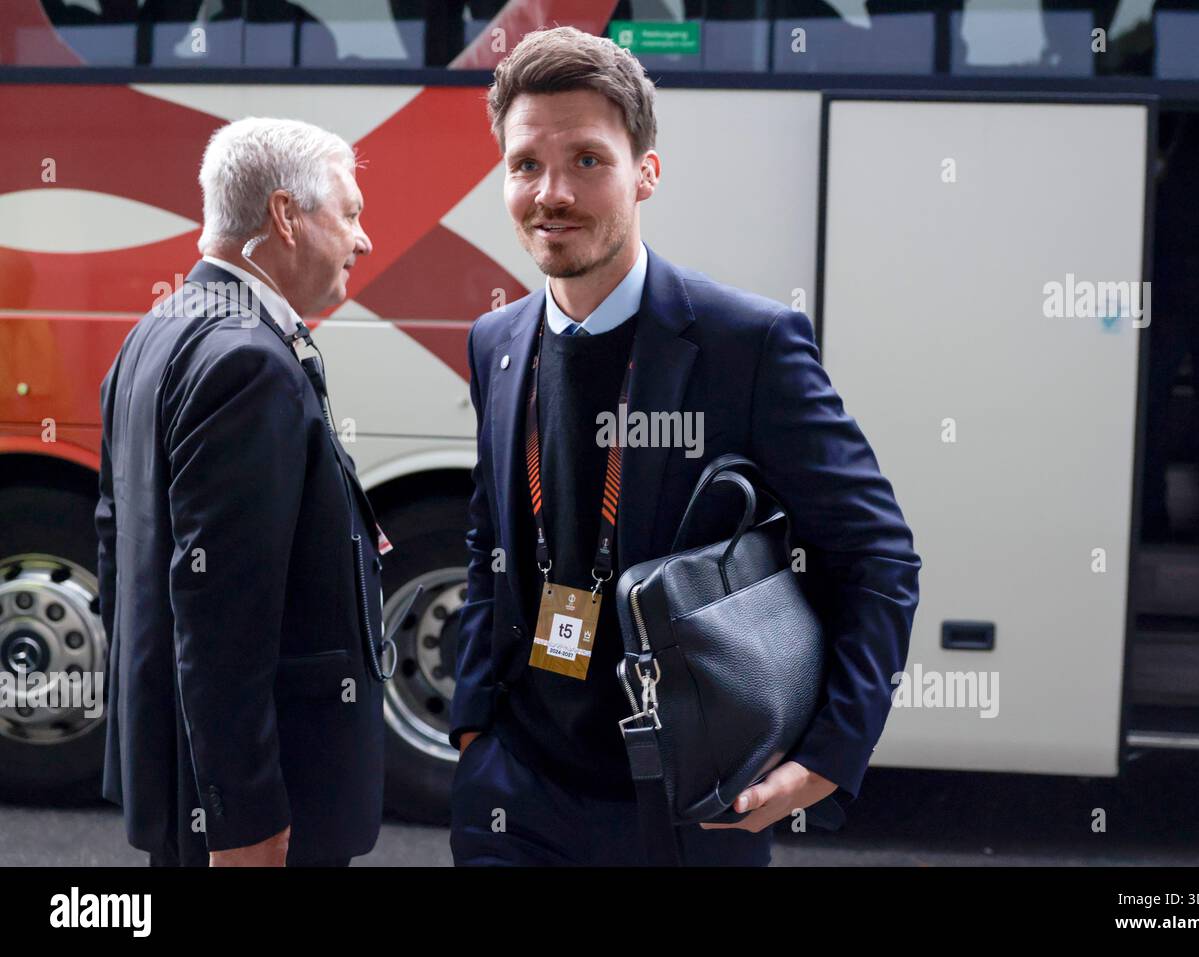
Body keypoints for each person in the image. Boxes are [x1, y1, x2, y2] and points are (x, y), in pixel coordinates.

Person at [449, 26, 921, 866]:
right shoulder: (496, 340)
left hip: (683, 809)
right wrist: (472, 723)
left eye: (588, 161)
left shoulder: (751, 344)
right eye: (526, 165)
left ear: (647, 173)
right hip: (514, 798)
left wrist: (824, 758)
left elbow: (876, 554)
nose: (551, 192)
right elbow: (490, 537)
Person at [95, 117, 382, 867]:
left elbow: (114, 546)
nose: (364, 239)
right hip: (258, 810)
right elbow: (223, 612)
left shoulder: (155, 329)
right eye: (349, 213)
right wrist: (245, 819)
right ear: (285, 216)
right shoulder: (248, 362)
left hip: (180, 779)